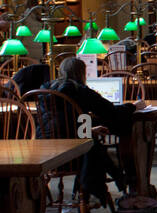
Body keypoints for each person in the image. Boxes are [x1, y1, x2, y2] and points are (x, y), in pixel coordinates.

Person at [38, 57, 146, 204]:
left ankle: (118, 180)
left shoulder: (45, 89)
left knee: (93, 143)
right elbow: (110, 112)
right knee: (101, 143)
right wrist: (134, 106)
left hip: (45, 149)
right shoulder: (80, 91)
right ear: (82, 73)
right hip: (73, 151)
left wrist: (88, 129)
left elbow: (62, 121)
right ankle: (127, 181)